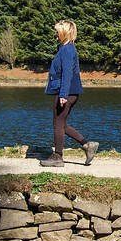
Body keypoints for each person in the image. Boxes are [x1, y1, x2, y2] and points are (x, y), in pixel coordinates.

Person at [42, 20, 99, 168]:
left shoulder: (67, 50)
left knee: (57, 124)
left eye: (57, 31)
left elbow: (67, 74)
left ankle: (57, 157)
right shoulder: (65, 48)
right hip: (69, 92)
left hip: (66, 92)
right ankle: (87, 145)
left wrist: (63, 95)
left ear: (64, 33)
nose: (55, 34)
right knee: (62, 124)